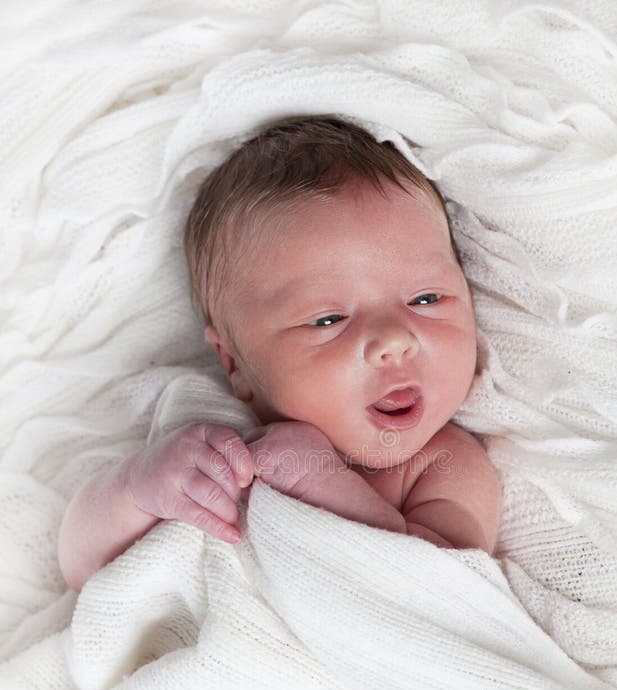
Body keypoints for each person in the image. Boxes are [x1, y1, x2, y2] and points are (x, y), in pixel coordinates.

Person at [58, 115, 501, 592]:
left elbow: (448, 596)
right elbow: (83, 568)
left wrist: (324, 483)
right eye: (329, 320)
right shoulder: (208, 441)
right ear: (233, 364)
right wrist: (138, 489)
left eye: (426, 300)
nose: (395, 339)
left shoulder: (443, 465)